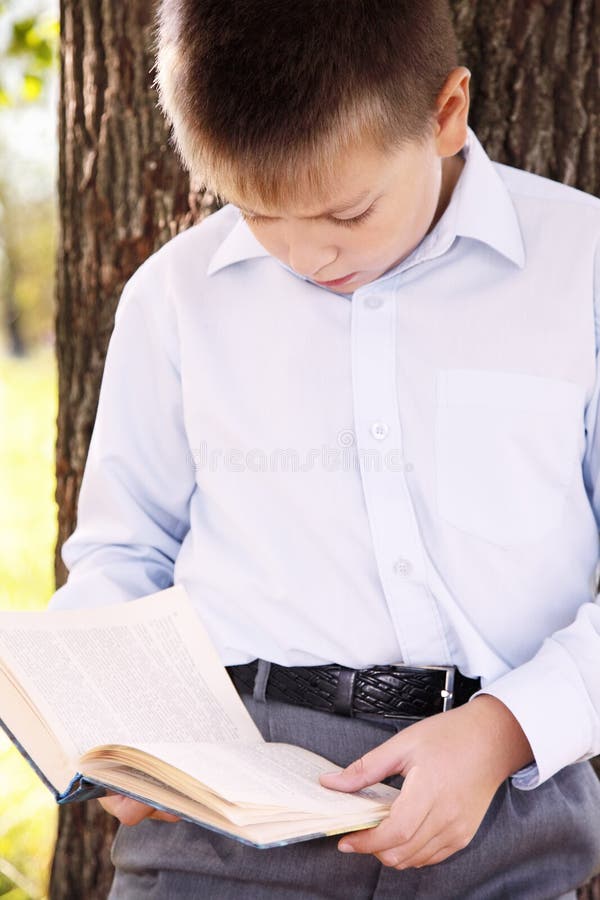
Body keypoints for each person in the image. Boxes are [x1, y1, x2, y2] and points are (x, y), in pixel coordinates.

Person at [47, 1, 600, 897]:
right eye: (260, 215)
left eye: (347, 212)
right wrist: (112, 719)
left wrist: (505, 730)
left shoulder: (582, 268)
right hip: (221, 825)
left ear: (446, 112)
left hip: (509, 816)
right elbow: (123, 550)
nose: (306, 255)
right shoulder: (176, 298)